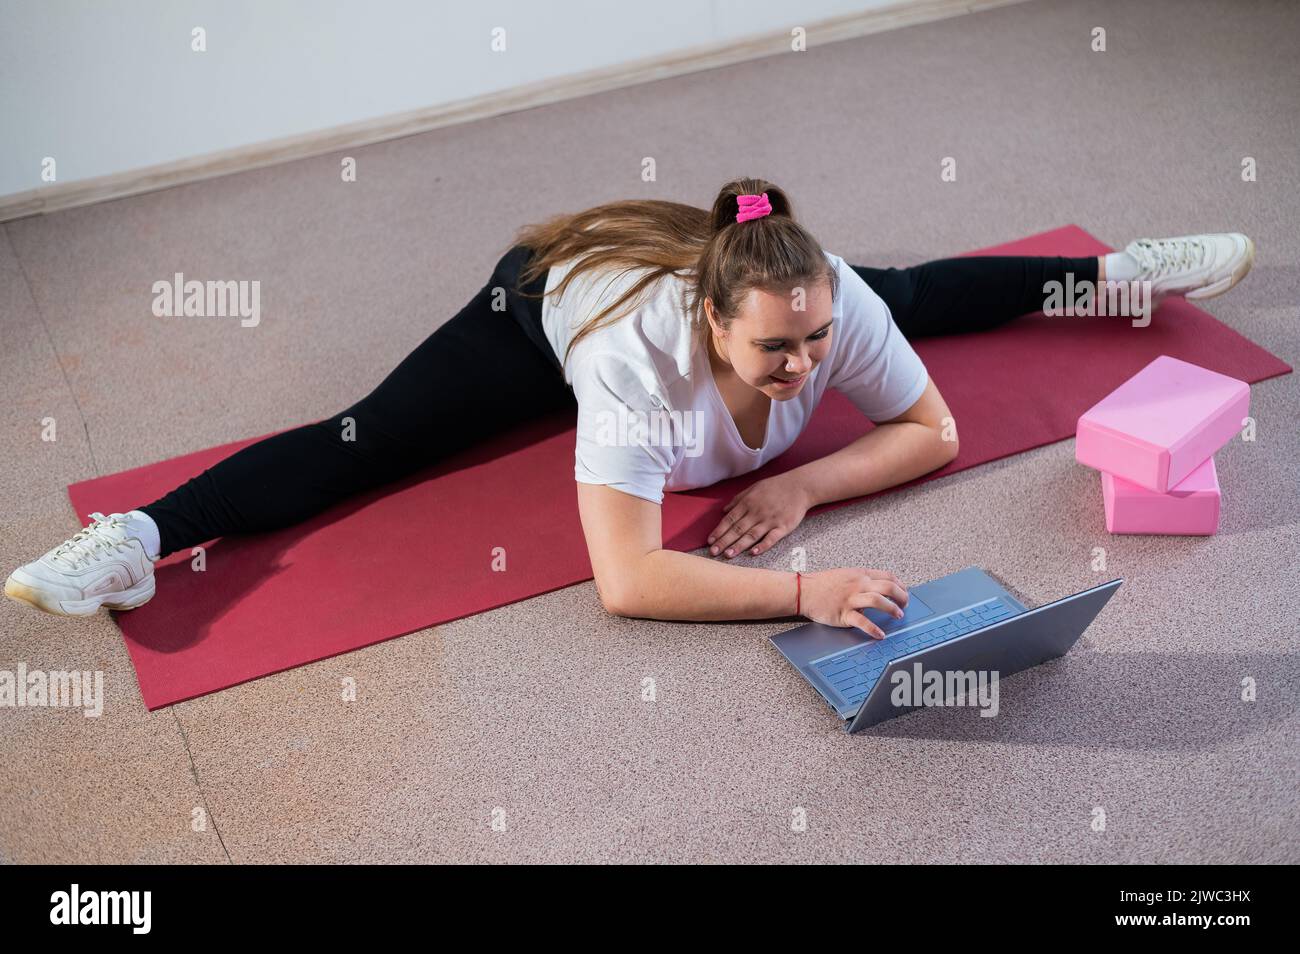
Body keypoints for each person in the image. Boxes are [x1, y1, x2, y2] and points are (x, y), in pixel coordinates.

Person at [4, 178, 1254, 638]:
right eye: (775, 349)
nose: (805, 369)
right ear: (713, 324)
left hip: (715, 279)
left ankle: (1119, 276)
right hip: (543, 305)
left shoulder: (823, 307)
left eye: (818, 339)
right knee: (372, 438)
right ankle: (133, 541)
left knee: (921, 290)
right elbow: (630, 581)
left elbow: (937, 432)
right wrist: (805, 590)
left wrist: (800, 480)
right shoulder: (629, 371)